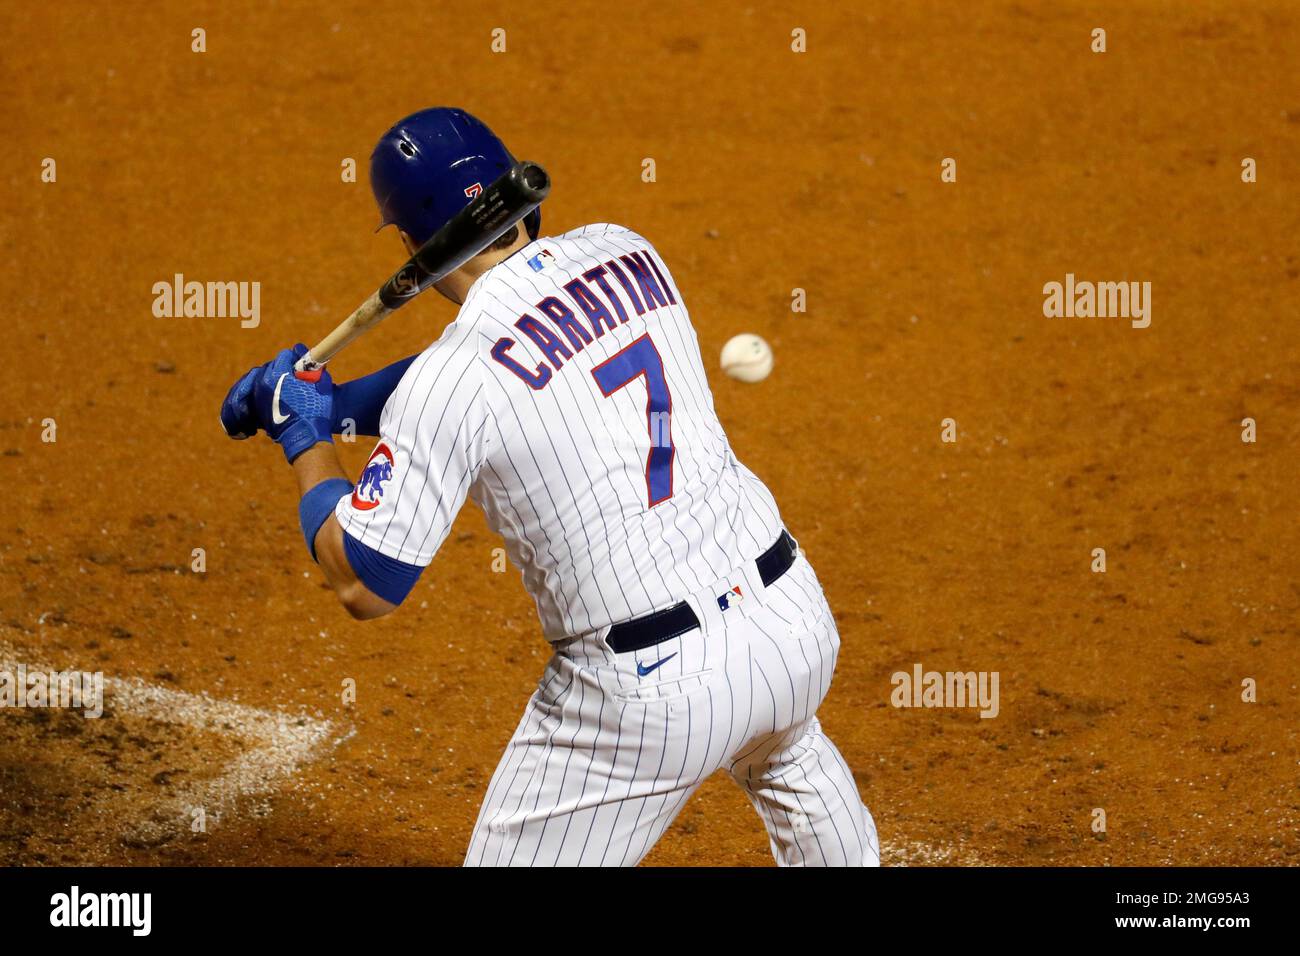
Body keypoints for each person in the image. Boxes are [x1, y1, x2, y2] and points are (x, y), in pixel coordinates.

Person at [220, 107, 880, 867]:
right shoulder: (626, 249)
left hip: (649, 699)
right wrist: (335, 405)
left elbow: (364, 578)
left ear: (407, 246)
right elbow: (509, 362)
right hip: (791, 626)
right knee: (788, 752)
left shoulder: (454, 380)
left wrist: (304, 439)